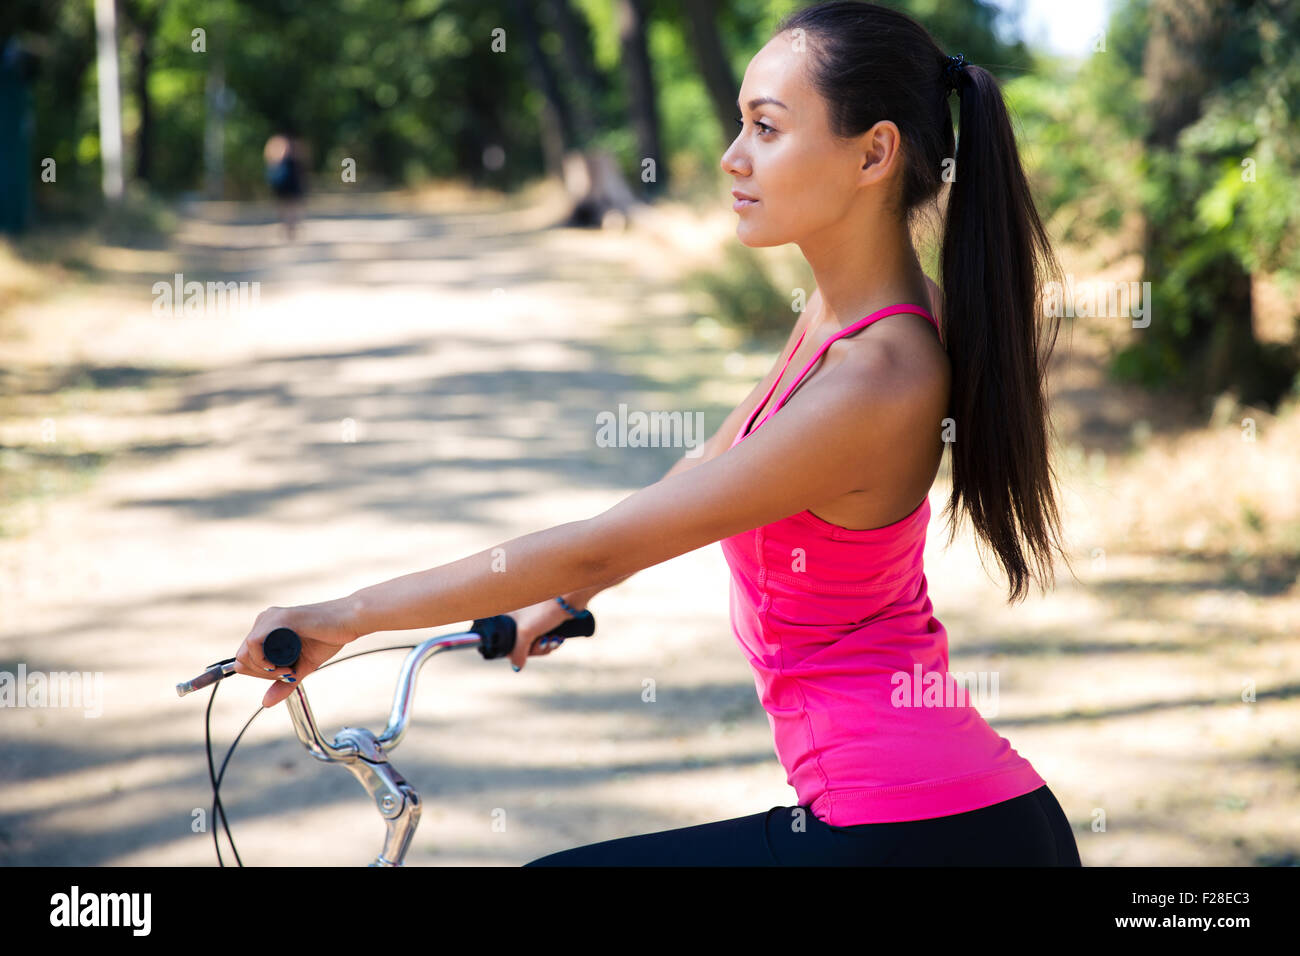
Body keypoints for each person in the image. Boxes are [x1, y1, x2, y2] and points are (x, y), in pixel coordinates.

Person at [230, 0, 1080, 866]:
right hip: (927, 819)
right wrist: (563, 601)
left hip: (925, 835)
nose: (731, 156)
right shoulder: (840, 318)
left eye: (766, 128)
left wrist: (347, 615)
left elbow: (603, 544)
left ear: (875, 152)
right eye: (740, 123)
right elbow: (706, 468)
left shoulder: (879, 377)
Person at [263, 131, 307, 240]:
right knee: (288, 204)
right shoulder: (284, 144)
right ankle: (289, 225)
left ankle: (289, 225)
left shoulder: (275, 143)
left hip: (287, 180)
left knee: (287, 204)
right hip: (286, 179)